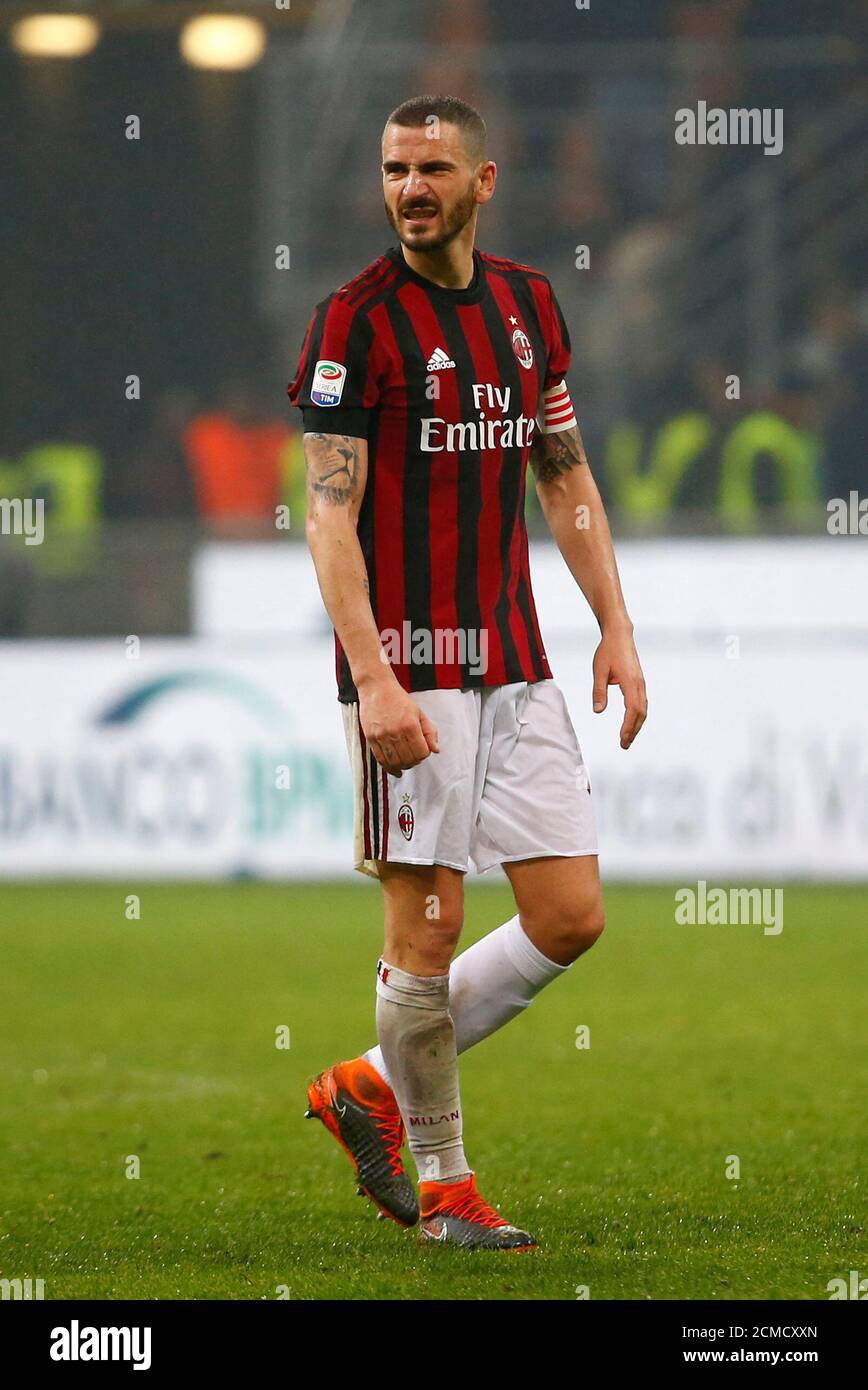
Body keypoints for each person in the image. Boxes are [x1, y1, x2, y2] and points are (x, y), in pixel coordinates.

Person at [287, 95, 647, 1250]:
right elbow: (327, 521)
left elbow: (564, 472)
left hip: (516, 658)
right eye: (395, 169)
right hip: (412, 670)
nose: (410, 188)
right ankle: (446, 1188)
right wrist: (374, 680)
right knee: (426, 929)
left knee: (570, 912)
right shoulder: (354, 320)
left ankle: (366, 1086)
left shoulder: (530, 305)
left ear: (483, 182)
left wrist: (617, 626)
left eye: (434, 167)